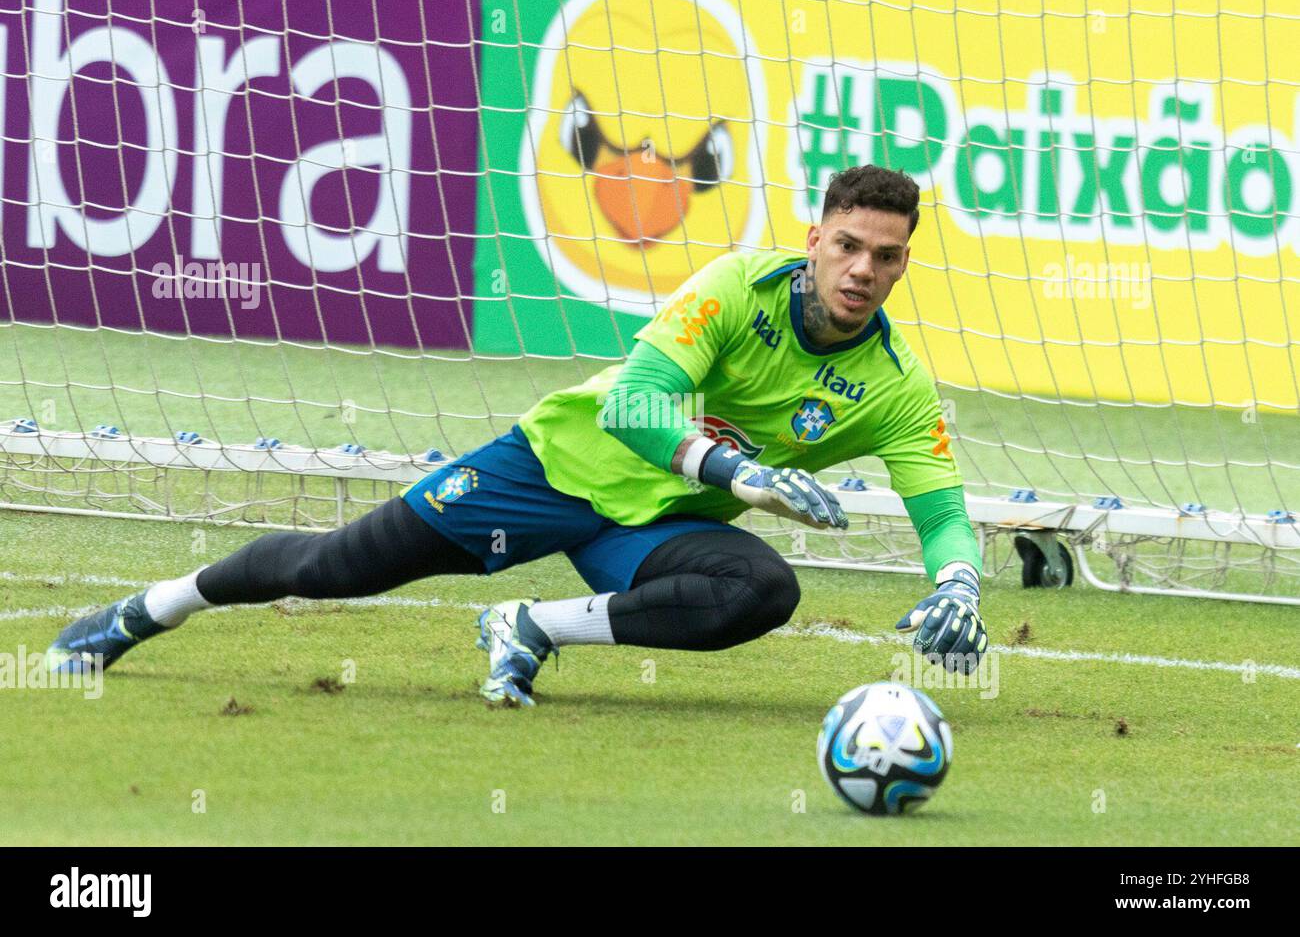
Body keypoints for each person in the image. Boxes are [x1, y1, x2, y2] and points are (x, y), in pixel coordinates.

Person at [46, 164, 988, 707]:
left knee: (761, 589)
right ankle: (145, 612)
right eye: (848, 245)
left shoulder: (896, 386)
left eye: (887, 255)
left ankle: (530, 627)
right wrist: (737, 473)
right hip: (554, 469)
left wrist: (958, 581)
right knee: (336, 567)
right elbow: (633, 406)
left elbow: (940, 511)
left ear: (906, 262)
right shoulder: (737, 287)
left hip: (645, 531)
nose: (863, 269)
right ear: (815, 236)